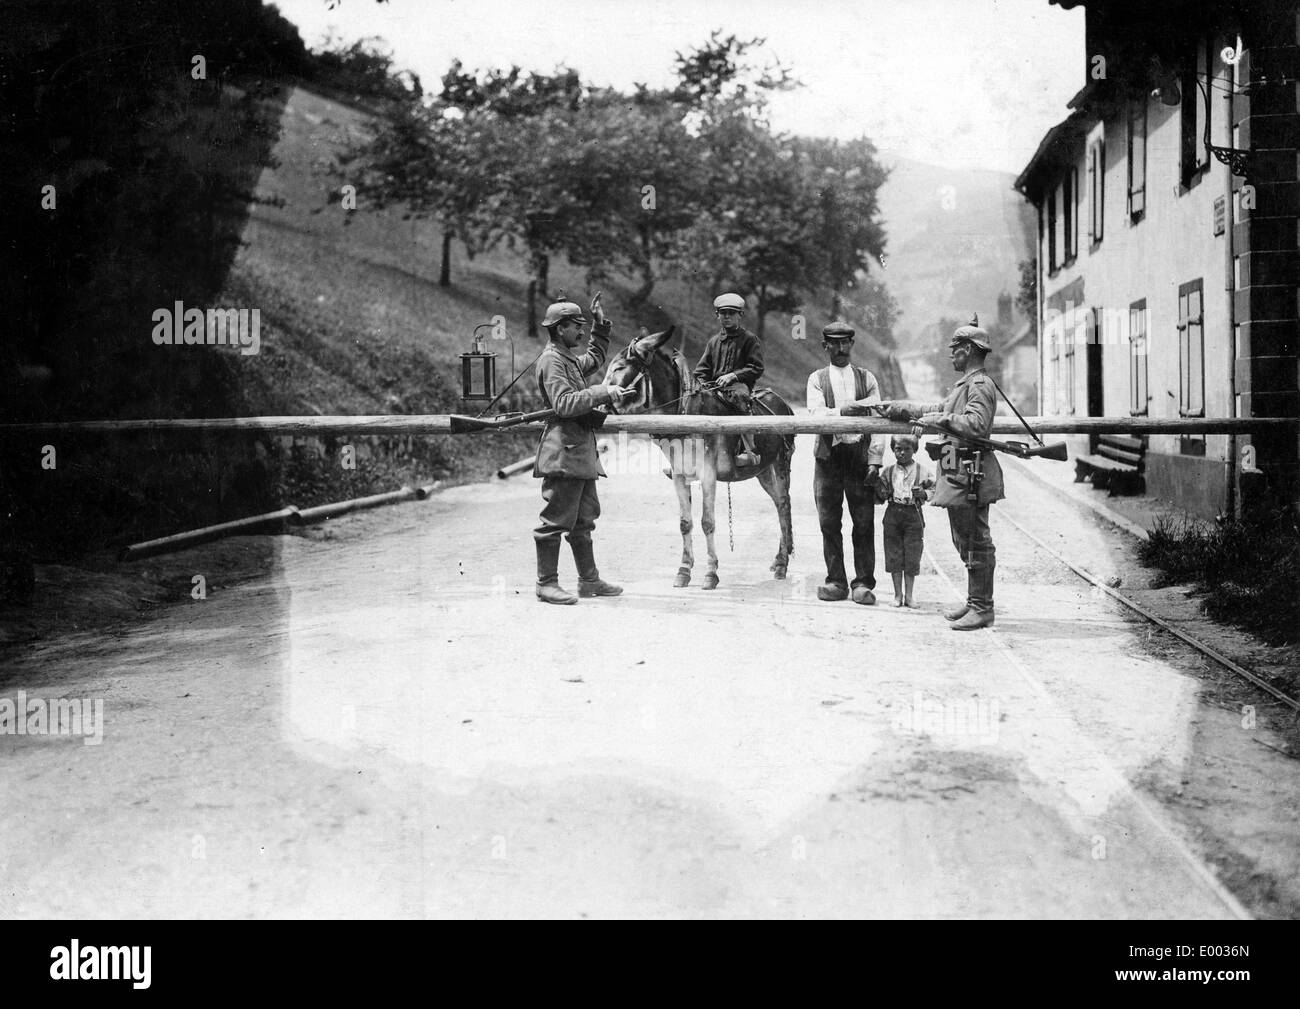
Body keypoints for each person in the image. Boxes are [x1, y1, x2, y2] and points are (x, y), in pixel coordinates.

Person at [880, 316, 1004, 630]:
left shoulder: (979, 385)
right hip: (957, 469)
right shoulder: (965, 385)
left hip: (970, 470)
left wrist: (941, 420)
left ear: (969, 349)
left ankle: (982, 607)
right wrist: (902, 409)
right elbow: (939, 407)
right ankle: (975, 601)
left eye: (955, 349)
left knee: (976, 540)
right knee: (963, 539)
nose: (950, 354)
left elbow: (975, 425)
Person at [532, 293, 635, 605]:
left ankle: (589, 580)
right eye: (576, 326)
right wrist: (604, 392)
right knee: (556, 520)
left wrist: (601, 327)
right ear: (560, 328)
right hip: (563, 453)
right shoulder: (552, 361)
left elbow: (594, 359)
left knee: (583, 519)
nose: (581, 330)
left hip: (579, 453)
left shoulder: (568, 359)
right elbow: (563, 403)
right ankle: (546, 584)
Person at [806, 320, 884, 604]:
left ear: (852, 344)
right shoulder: (817, 379)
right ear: (825, 346)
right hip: (828, 457)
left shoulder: (867, 379)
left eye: (845, 343)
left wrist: (875, 461)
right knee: (829, 521)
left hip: (859, 457)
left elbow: (878, 421)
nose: (841, 349)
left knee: (863, 522)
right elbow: (815, 416)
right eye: (834, 343)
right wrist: (842, 411)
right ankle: (836, 581)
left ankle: (863, 583)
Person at [693, 292, 764, 467]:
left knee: (739, 398)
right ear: (717, 315)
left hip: (738, 387)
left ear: (740, 315)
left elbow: (756, 367)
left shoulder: (749, 339)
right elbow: (701, 370)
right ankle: (689, 455)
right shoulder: (714, 342)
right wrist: (702, 383)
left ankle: (747, 450)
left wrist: (733, 376)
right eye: (723, 313)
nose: (727, 317)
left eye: (731, 313)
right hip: (714, 388)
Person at [876, 433, 934, 608]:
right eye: (898, 449)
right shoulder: (888, 471)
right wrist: (879, 489)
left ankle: (909, 596)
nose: (902, 453)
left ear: (914, 450)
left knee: (912, 555)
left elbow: (934, 488)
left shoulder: (922, 470)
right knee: (893, 554)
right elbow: (881, 494)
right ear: (893, 450)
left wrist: (923, 494)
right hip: (893, 513)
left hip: (913, 514)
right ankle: (897, 595)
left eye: (907, 449)